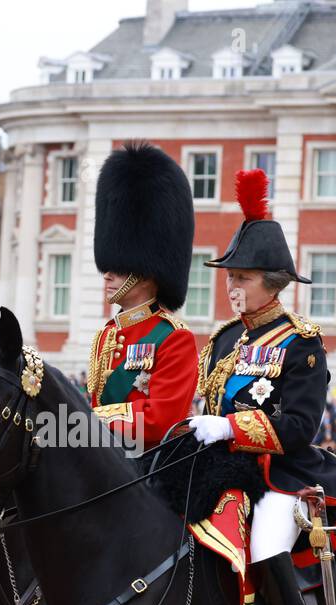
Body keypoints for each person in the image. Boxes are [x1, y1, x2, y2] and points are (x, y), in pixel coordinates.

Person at [189, 166, 336, 605]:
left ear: (272, 282)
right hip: (215, 471)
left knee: (264, 545)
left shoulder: (301, 342)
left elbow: (297, 426)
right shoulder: (221, 339)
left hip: (277, 475)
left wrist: (230, 430)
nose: (231, 285)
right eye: (228, 275)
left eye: (241, 276)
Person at [86, 141, 198, 451]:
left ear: (146, 271)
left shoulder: (174, 338)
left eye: (118, 268)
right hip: (106, 458)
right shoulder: (107, 335)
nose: (107, 274)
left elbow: (162, 420)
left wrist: (88, 421)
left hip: (153, 464)